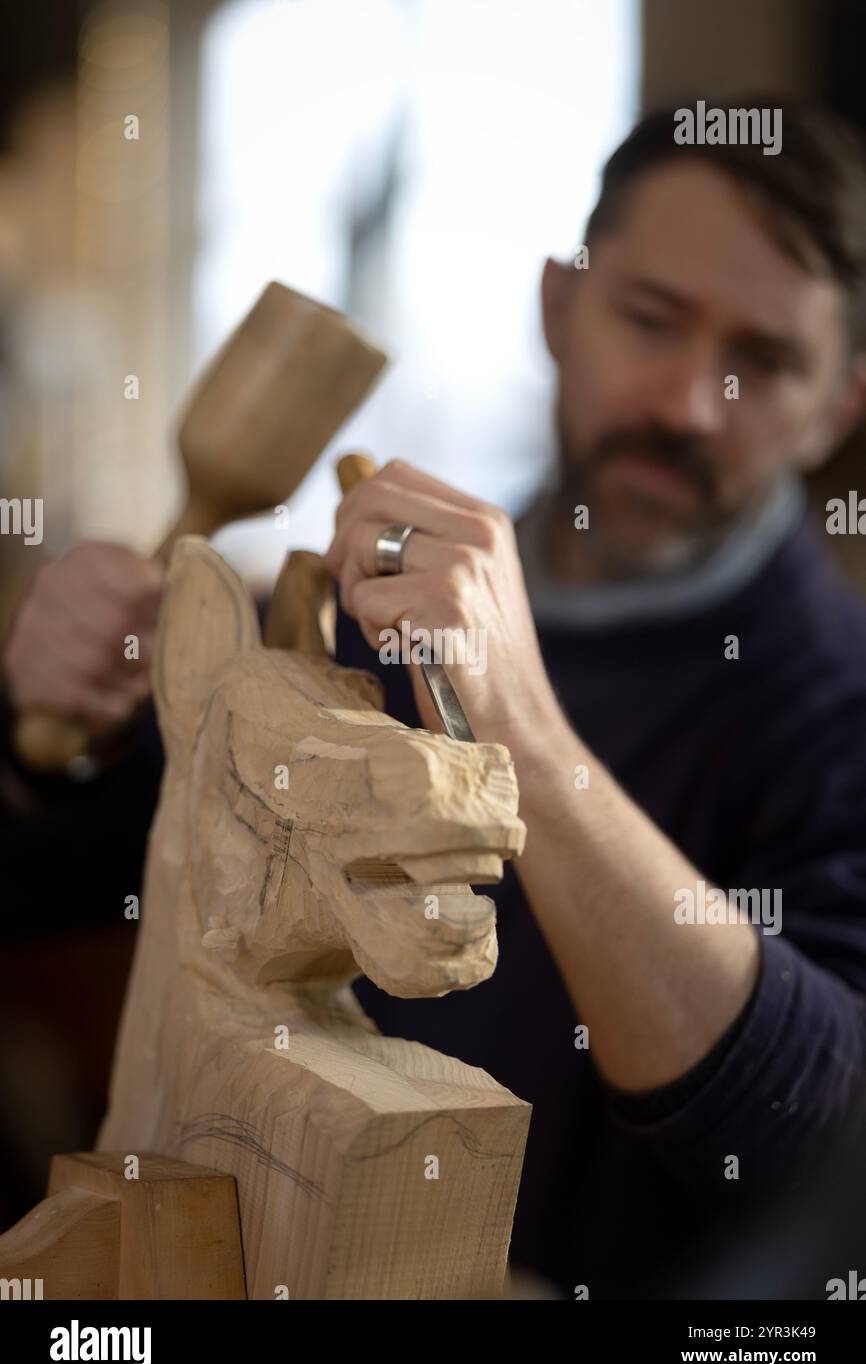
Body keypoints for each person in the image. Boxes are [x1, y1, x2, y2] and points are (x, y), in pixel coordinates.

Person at [4, 96, 866, 1298]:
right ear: (559, 308)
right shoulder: (367, 609)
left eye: (759, 362)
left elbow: (823, 1161)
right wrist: (61, 737)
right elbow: (52, 878)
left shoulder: (837, 711)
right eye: (650, 319)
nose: (682, 405)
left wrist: (521, 732)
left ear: (838, 403)